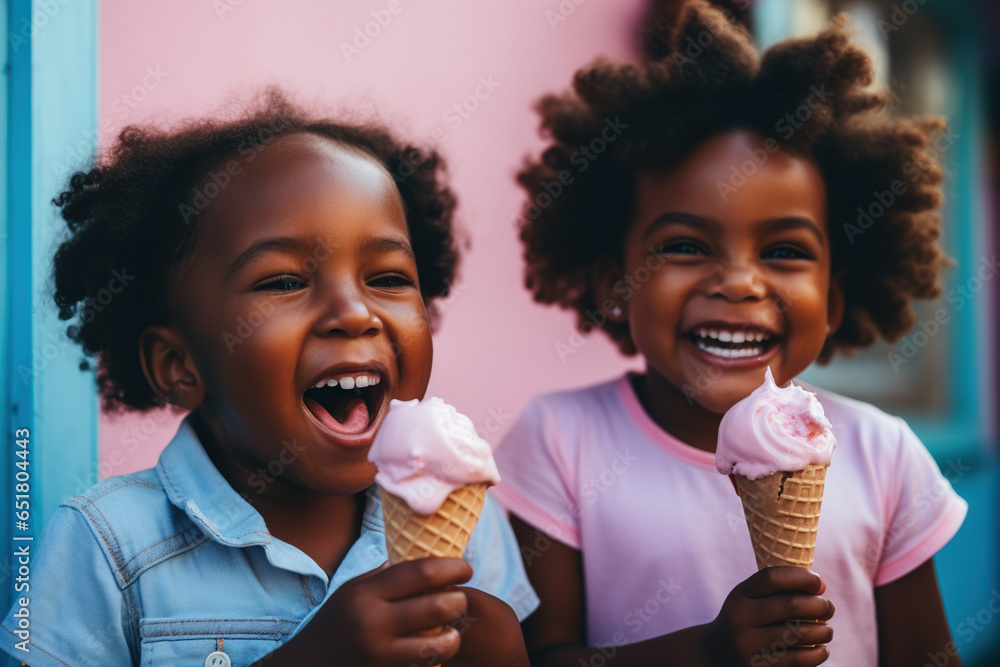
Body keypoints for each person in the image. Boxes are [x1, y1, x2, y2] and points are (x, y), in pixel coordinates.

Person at [492, 2, 966, 666]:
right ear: (612, 283)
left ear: (831, 300)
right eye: (685, 244)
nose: (740, 282)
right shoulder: (559, 441)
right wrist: (705, 650)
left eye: (784, 252)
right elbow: (536, 657)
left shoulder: (884, 455)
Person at [0, 91, 537, 667]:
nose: (355, 313)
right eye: (282, 282)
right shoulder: (106, 546)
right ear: (180, 365)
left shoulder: (473, 523)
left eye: (386, 276)